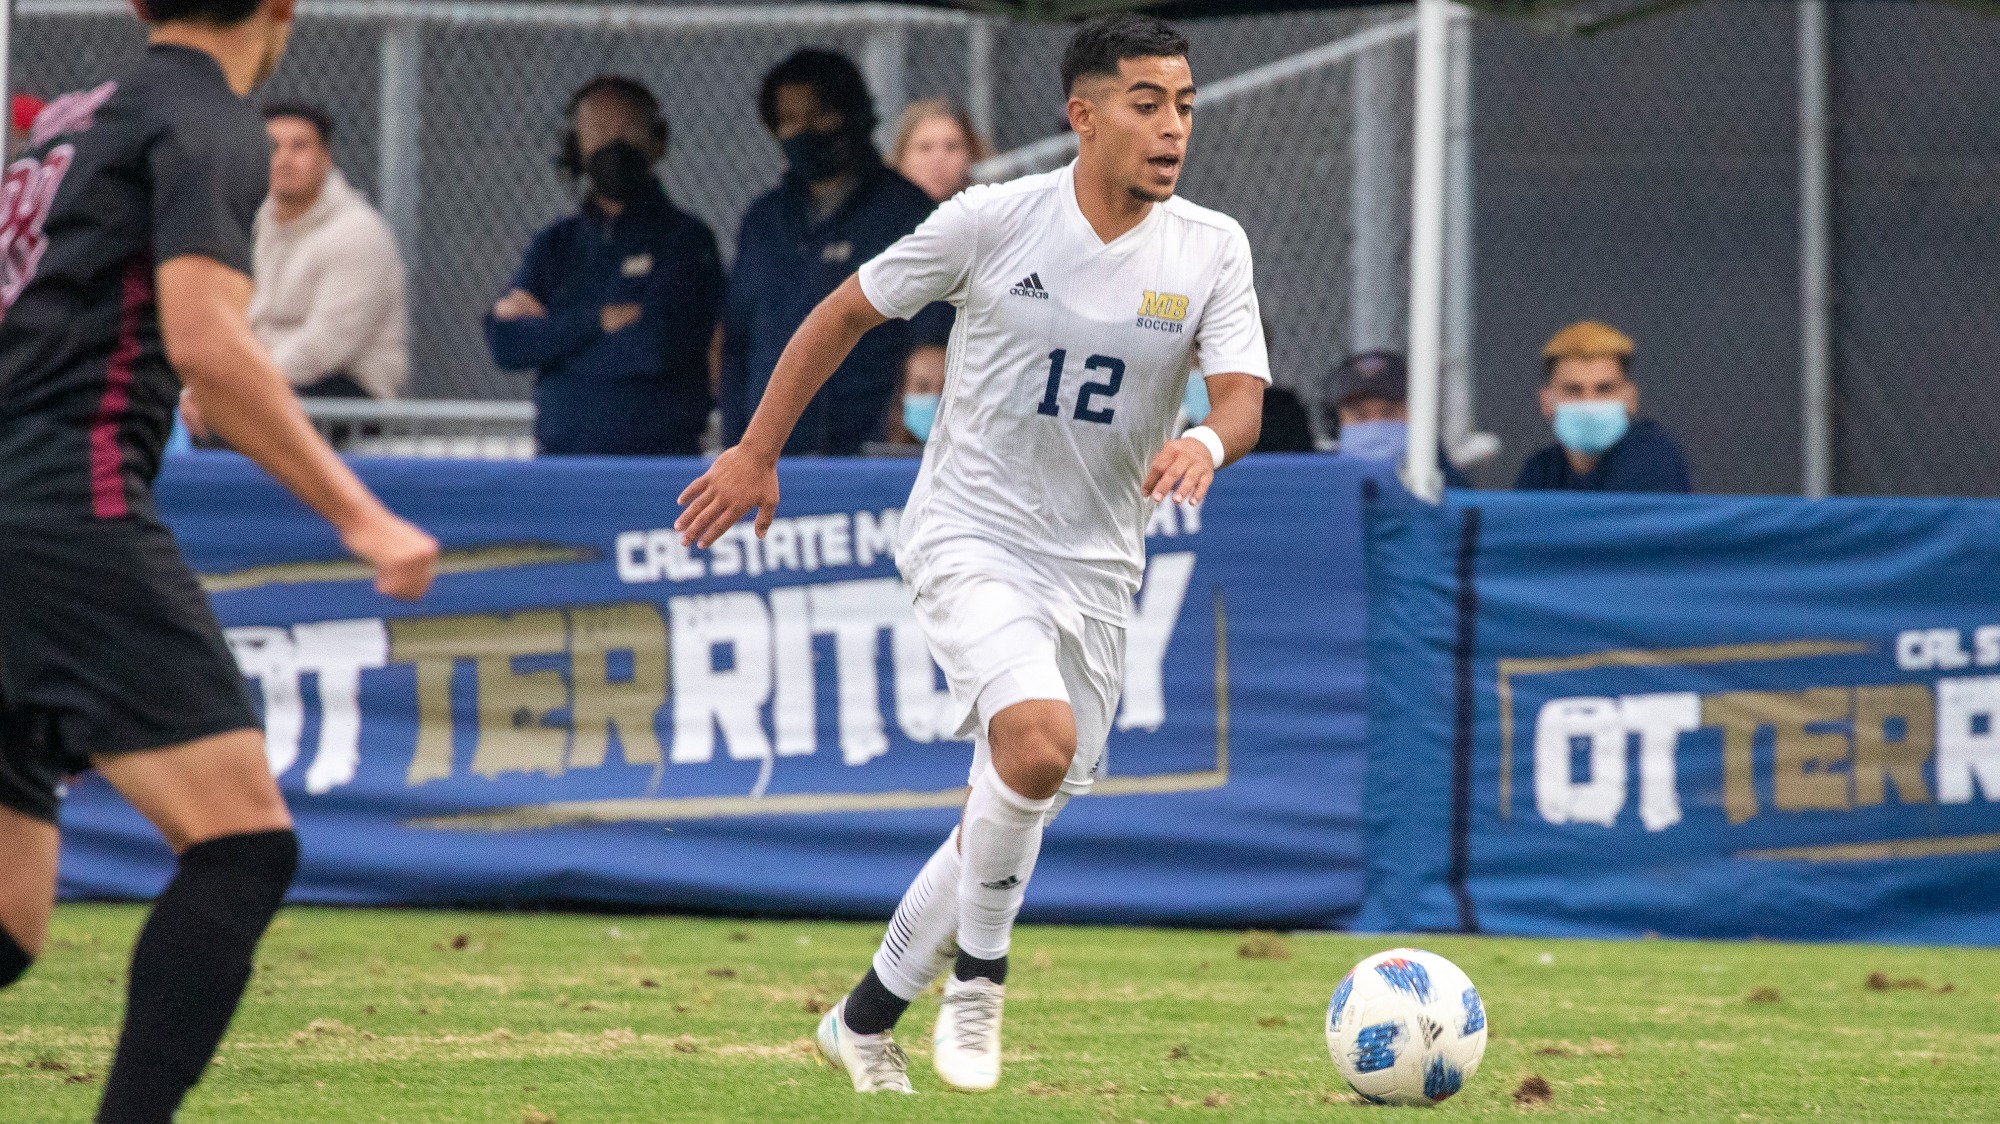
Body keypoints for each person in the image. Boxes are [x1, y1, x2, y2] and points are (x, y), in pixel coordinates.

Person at [677, 14, 1268, 1095]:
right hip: (969, 530)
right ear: (1080, 116)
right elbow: (840, 314)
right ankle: (980, 981)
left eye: (1183, 104)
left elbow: (1241, 398)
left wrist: (1201, 437)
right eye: (1147, 103)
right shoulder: (992, 220)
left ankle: (862, 1018)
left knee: (1010, 794)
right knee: (1032, 745)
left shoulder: (1209, 245)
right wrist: (757, 452)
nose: (1172, 126)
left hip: (1095, 564)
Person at [0, 3, 439, 1122]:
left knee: (8, 916)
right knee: (241, 844)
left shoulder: (65, 123)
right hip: (66, 506)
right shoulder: (208, 120)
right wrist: (362, 517)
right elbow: (209, 352)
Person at [487, 76, 722, 456]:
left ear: (656, 140)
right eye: (598, 129)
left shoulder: (686, 239)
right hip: (561, 464)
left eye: (628, 127)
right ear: (576, 144)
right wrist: (600, 320)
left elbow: (659, 344)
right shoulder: (557, 243)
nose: (613, 142)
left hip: (660, 466)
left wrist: (554, 340)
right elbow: (507, 342)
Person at [719, 49, 936, 456]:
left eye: (820, 116)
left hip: (869, 456)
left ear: (853, 113)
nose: (805, 131)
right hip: (769, 455)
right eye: (789, 121)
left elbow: (930, 340)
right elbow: (736, 342)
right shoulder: (763, 220)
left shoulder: (907, 210)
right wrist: (737, 441)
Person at [250, 101, 408, 400]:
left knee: (231, 427)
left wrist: (240, 382)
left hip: (346, 391)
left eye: (299, 147)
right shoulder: (254, 224)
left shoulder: (357, 232)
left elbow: (325, 347)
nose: (283, 158)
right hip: (268, 380)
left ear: (325, 157)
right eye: (272, 147)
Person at [885, 100, 989, 447]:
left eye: (952, 147)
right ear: (900, 158)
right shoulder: (883, 232)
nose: (939, 158)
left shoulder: (990, 227)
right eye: (925, 147)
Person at [1515, 320, 1691, 492]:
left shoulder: (1652, 456)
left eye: (1604, 389)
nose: (1589, 403)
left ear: (1630, 398)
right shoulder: (1539, 472)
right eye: (1573, 390)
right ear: (1546, 402)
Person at [1321, 350, 1469, 485]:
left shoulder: (1450, 487)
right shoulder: (1318, 486)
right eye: (1360, 415)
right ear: (1335, 423)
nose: (1375, 427)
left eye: (1390, 412)